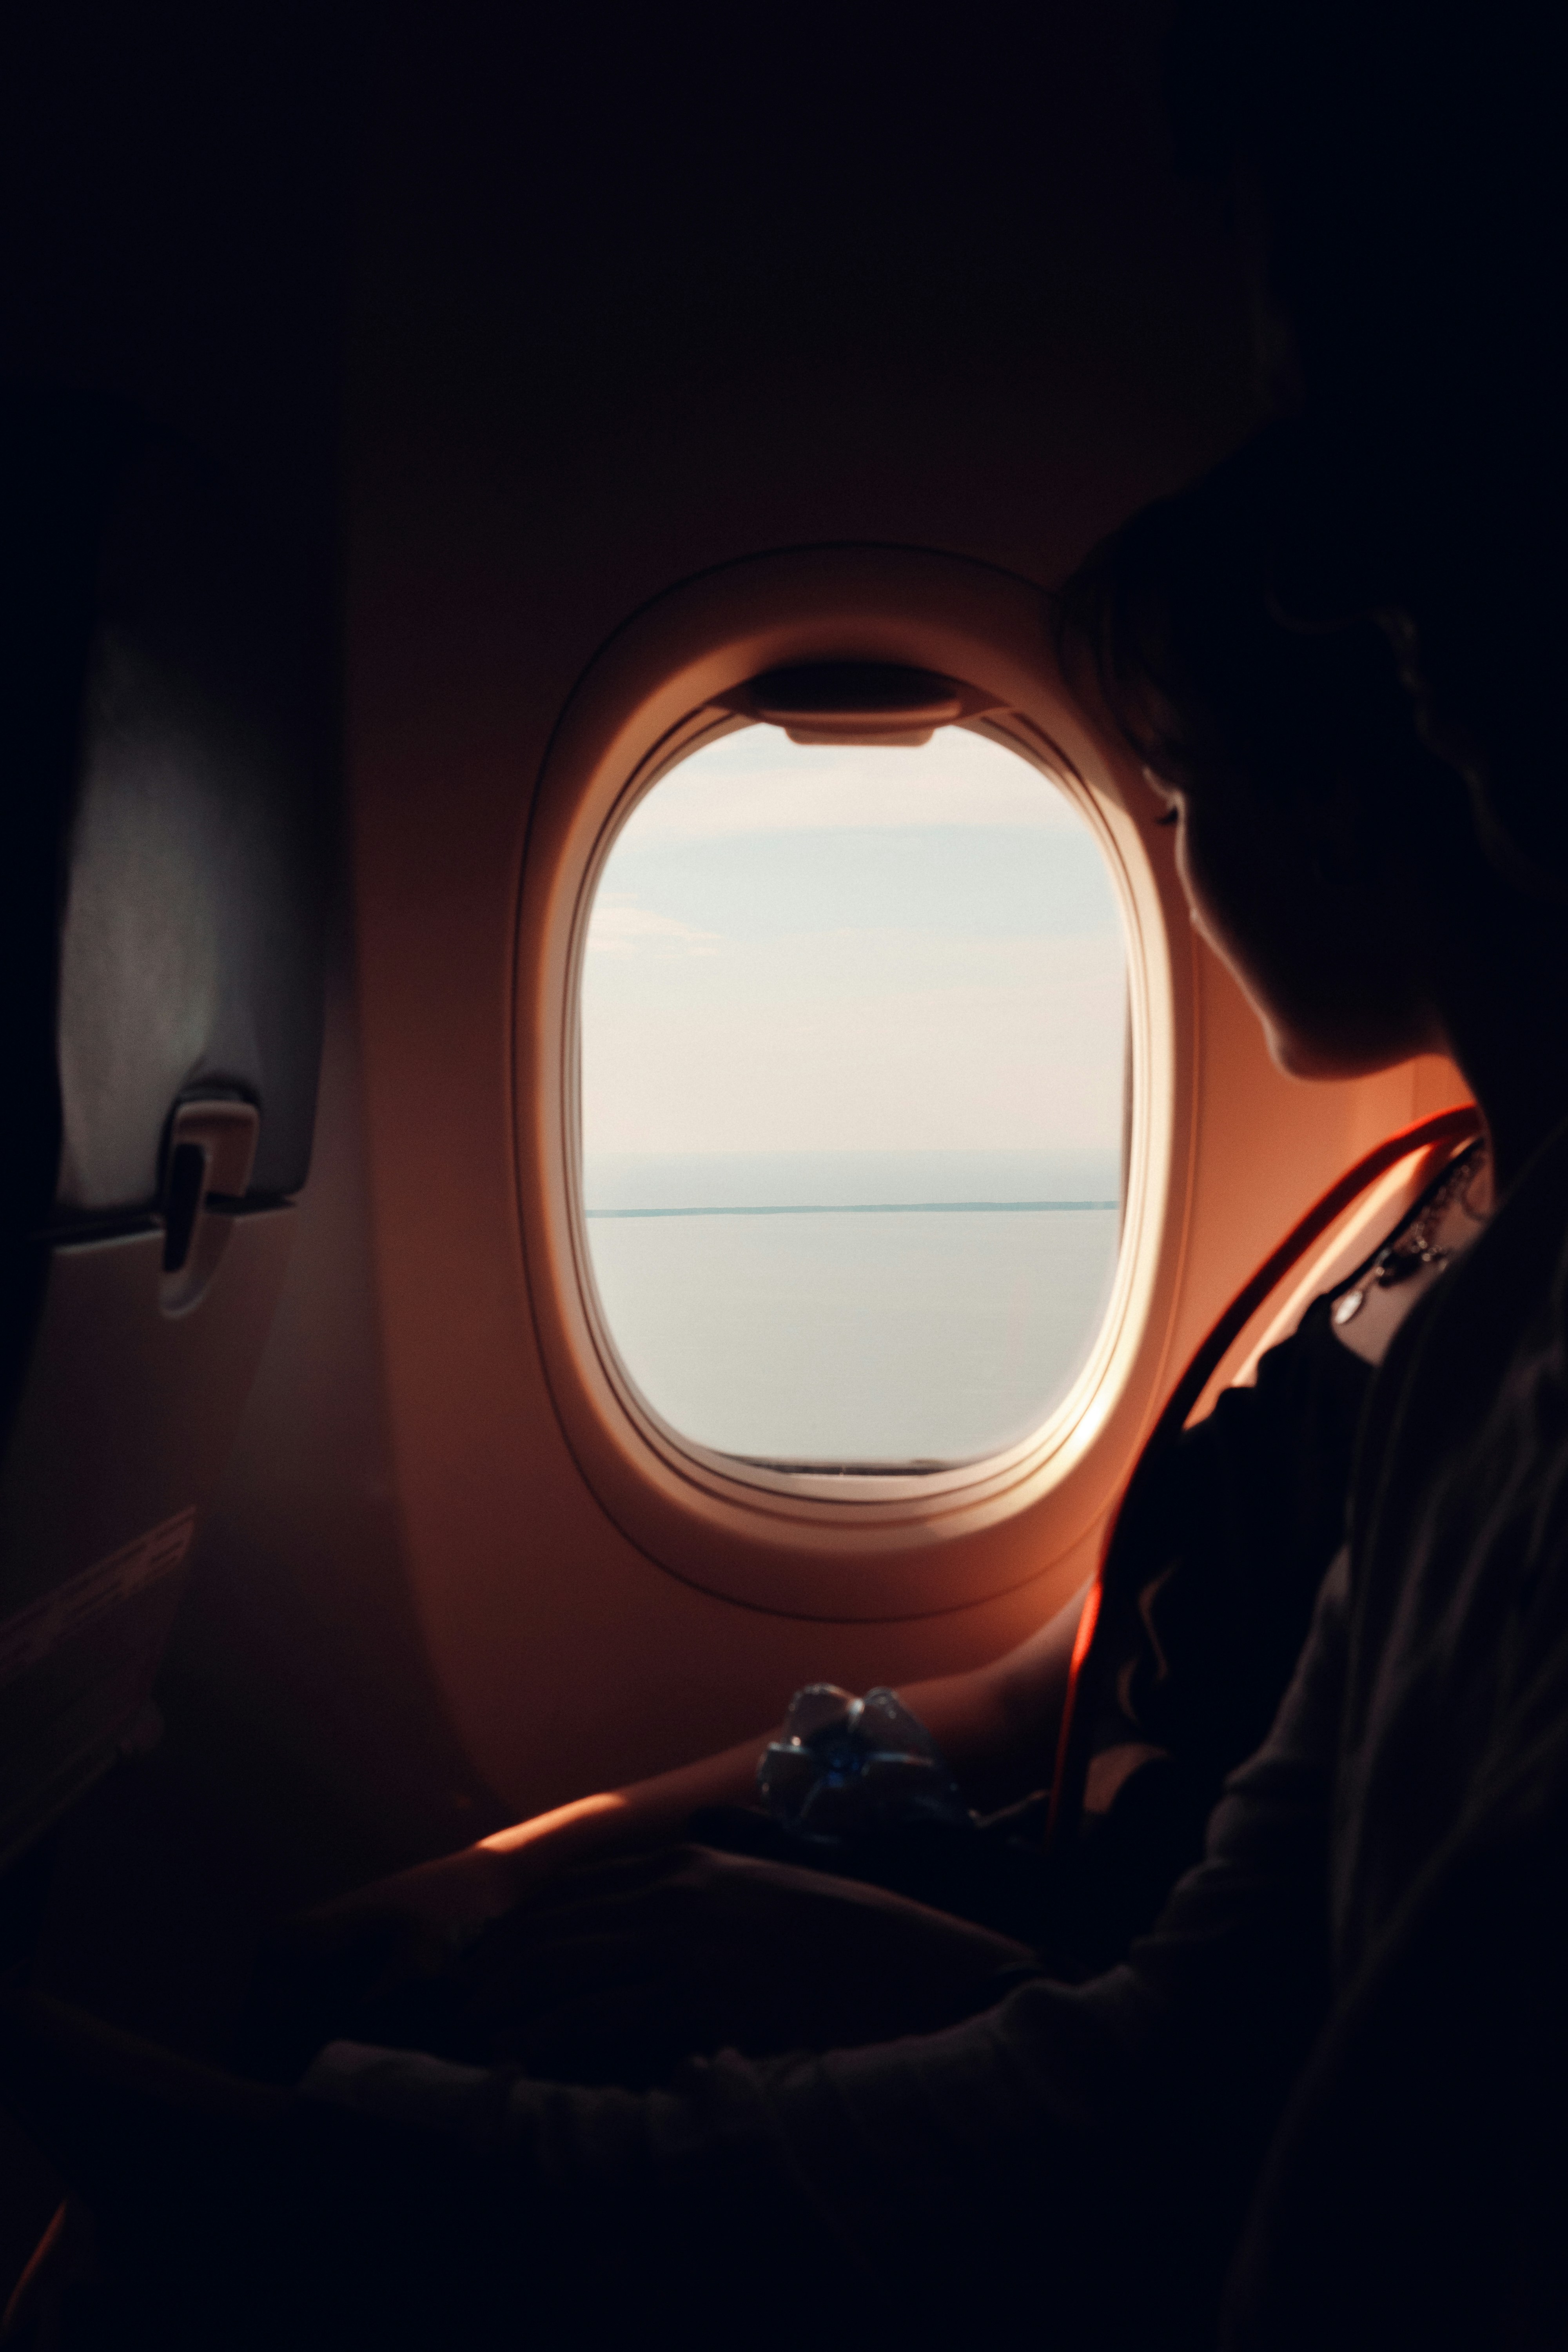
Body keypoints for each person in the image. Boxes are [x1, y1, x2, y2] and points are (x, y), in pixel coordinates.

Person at [8, 411, 1568, 2350]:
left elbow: (1212, 2074)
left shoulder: (1503, 1357)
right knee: (374, 1979)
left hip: (1070, 2015)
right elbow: (1048, 1684)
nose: (1170, 861)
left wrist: (897, 1965)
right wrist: (565, 1848)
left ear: (1343, 796)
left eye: (1175, 795)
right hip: (1049, 1948)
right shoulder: (1401, 1220)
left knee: (298, 2165)